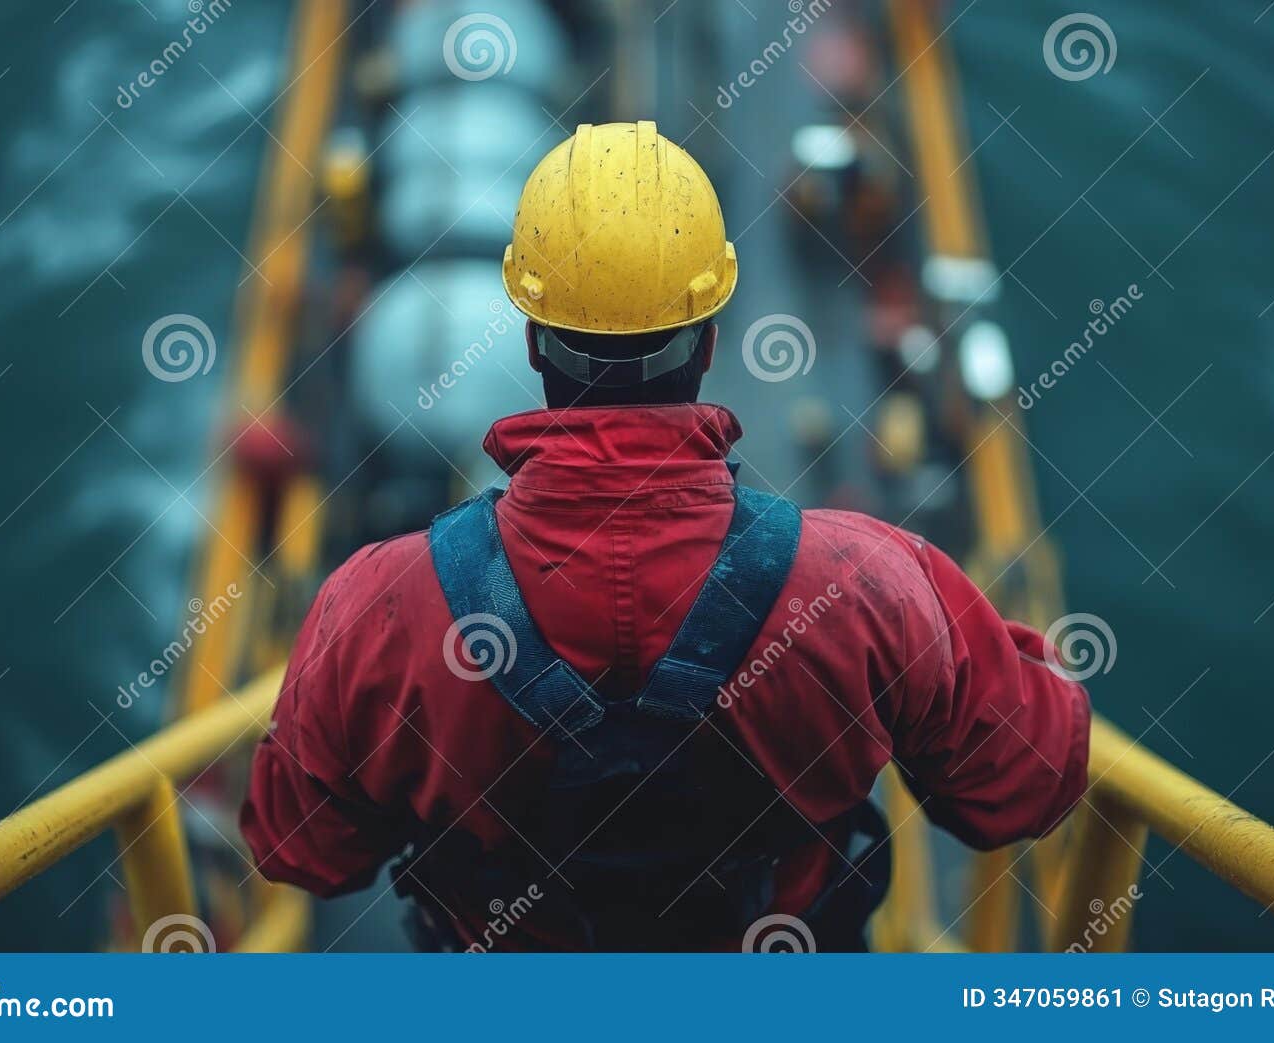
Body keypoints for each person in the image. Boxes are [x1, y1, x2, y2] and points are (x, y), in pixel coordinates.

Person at [240, 121, 1090, 952]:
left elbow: (301, 849)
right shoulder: (868, 584)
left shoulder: (378, 608)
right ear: (710, 341)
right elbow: (1024, 781)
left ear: (532, 341)